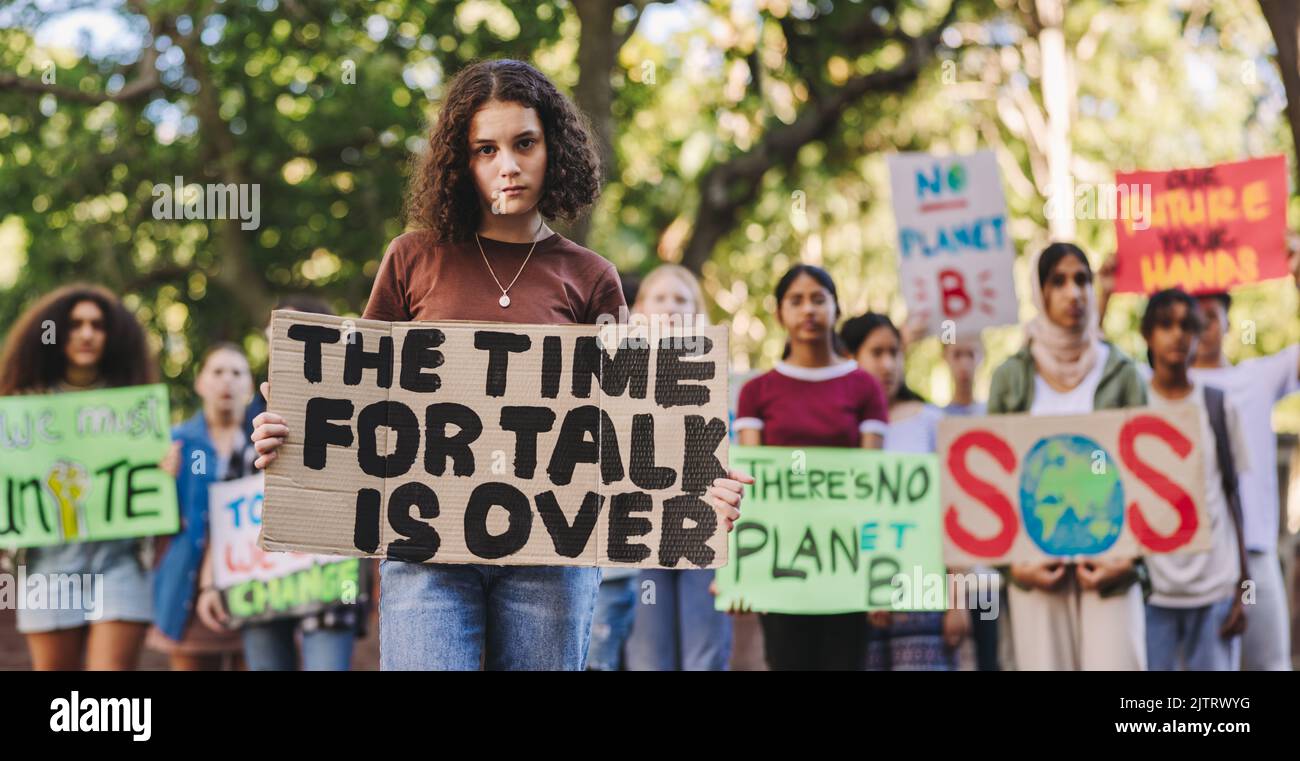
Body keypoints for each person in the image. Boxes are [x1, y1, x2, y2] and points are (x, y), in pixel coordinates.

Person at [250, 59, 751, 670]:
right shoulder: (412, 259)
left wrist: (699, 485)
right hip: (425, 547)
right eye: (485, 149)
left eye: (524, 144)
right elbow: (359, 398)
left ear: (555, 149)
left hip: (552, 555)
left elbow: (628, 423)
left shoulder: (592, 277)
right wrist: (292, 430)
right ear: (461, 163)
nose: (507, 165)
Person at [1101, 249, 1300, 671]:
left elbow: (1230, 490)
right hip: (1166, 571)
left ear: (1228, 321)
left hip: (1244, 556)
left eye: (1204, 318)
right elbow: (1095, 359)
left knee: (1266, 662)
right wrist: (1103, 293)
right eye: (1172, 323)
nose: (1189, 332)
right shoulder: (1137, 388)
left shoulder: (1248, 382)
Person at [988, 242, 1148, 670]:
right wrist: (1014, 568)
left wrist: (1129, 561)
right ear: (1040, 293)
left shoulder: (1124, 373)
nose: (1073, 292)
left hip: (1112, 571)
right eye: (1058, 281)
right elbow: (992, 482)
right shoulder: (1010, 377)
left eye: (1082, 279)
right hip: (1037, 571)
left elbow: (1149, 475)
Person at [0, 284, 169, 670]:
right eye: (75, 324)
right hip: (48, 567)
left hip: (120, 563)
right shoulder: (23, 413)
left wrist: (167, 469)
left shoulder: (137, 412)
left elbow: (150, 482)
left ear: (112, 336)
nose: (87, 333)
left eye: (97, 325)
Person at [734, 264, 889, 670]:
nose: (809, 310)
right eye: (796, 300)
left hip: (848, 562)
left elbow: (873, 482)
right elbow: (752, 485)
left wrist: (877, 577)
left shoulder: (865, 387)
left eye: (819, 299)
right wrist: (740, 573)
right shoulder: (756, 392)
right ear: (779, 313)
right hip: (780, 562)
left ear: (836, 309)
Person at [623, 264, 733, 671]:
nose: (671, 308)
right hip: (638, 529)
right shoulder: (616, 373)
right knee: (648, 656)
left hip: (703, 530)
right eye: (660, 298)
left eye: (681, 299)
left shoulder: (723, 380)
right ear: (638, 310)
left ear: (698, 313)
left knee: (705, 654)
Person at [843, 312, 967, 670]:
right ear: (851, 358)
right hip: (856, 602)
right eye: (876, 353)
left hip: (923, 598)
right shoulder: (839, 429)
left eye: (895, 352)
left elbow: (952, 512)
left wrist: (956, 601)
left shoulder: (929, 423)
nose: (888, 364)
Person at [1139, 289, 1249, 670]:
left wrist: (1243, 591)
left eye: (1187, 325)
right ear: (1147, 334)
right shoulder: (1131, 405)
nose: (1178, 335)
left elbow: (1234, 497)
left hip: (1215, 588)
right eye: (1166, 324)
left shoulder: (1219, 406)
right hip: (1150, 592)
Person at [149, 343, 255, 670]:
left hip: (252, 580)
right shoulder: (173, 443)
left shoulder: (263, 441)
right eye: (218, 372)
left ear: (249, 387)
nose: (227, 381)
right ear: (201, 382)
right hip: (188, 583)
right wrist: (160, 479)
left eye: (237, 373)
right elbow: (153, 518)